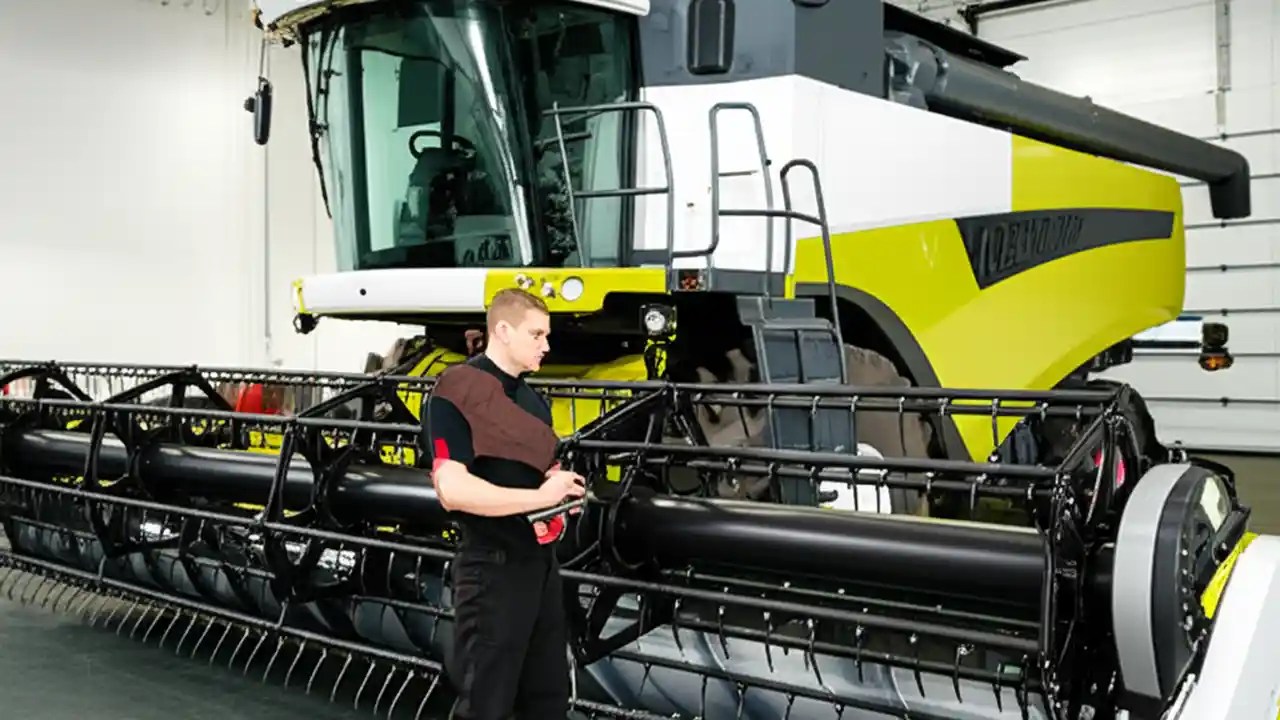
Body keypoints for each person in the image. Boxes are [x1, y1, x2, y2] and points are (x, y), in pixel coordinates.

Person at [422, 287, 586, 720]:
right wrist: (538, 497)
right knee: (485, 704)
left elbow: (529, 481)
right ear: (503, 330)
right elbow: (451, 489)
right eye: (536, 335)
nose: (546, 345)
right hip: (490, 571)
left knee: (547, 701)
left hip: (540, 569)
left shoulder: (534, 403)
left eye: (547, 335)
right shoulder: (456, 390)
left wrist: (555, 495)